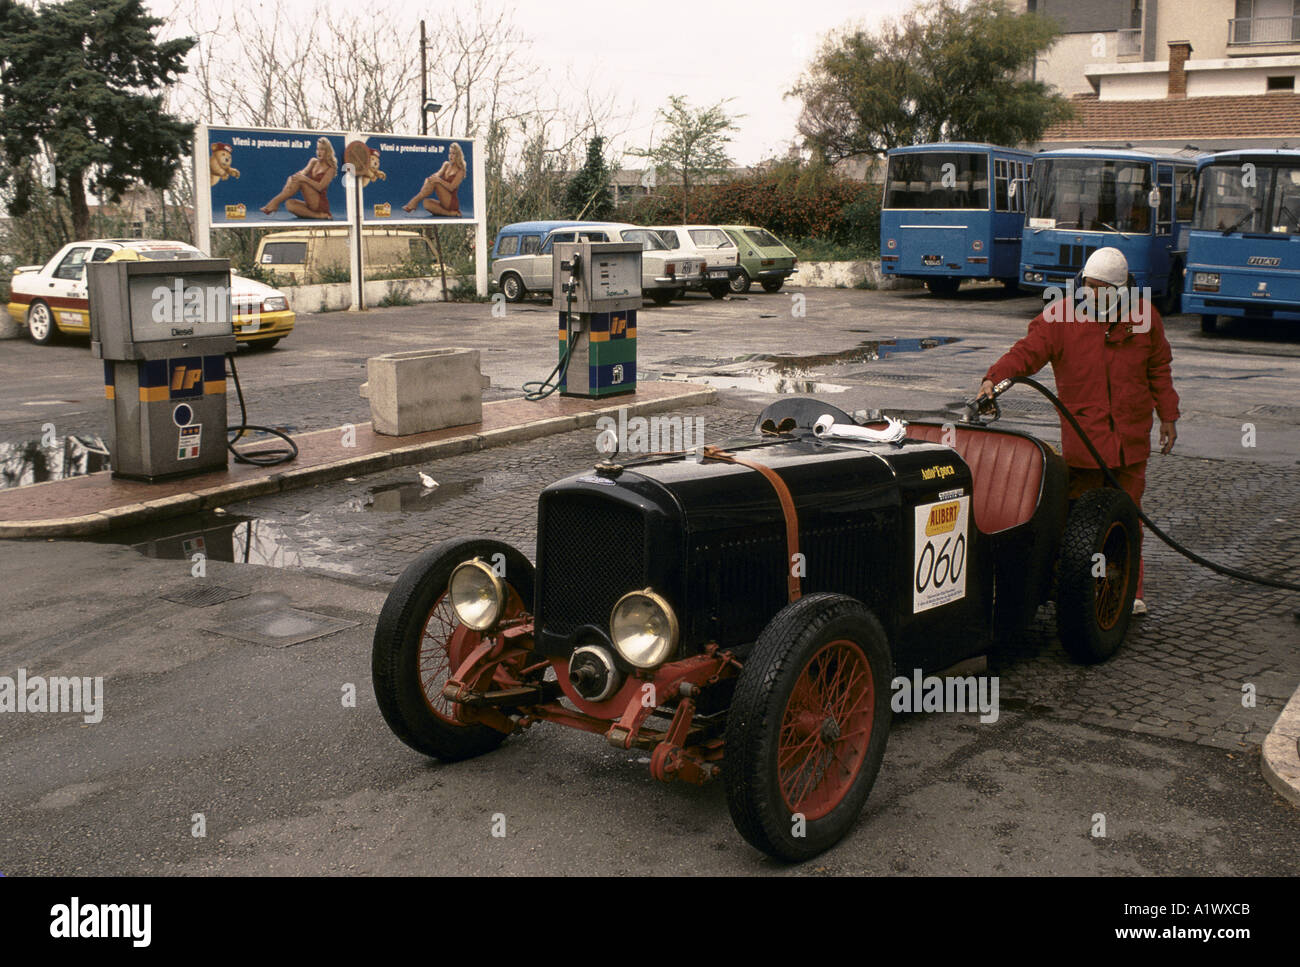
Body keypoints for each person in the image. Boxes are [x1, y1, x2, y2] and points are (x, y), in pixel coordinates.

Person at [977, 247, 1180, 614]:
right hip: (1084, 444)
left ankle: (1128, 591)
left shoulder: (1144, 317)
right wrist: (995, 378)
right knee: (1076, 522)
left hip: (1130, 445)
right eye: (1089, 286)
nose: (1094, 295)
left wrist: (1168, 415)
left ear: (1123, 289)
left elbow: (1159, 369)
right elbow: (1026, 353)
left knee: (1127, 516)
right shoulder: (1060, 317)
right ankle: (1073, 586)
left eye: (1104, 289)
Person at [261, 137, 337, 219]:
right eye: (317, 149)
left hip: (319, 203)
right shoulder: (313, 161)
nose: (319, 152)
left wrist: (304, 179)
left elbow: (320, 187)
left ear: (327, 151)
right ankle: (318, 216)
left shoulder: (331, 169)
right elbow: (302, 173)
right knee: (289, 204)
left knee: (302, 181)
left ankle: (274, 203)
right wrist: (291, 178)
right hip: (309, 202)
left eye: (322, 149)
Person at [403, 142, 466, 216]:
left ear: (458, 156)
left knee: (436, 182)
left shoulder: (460, 171)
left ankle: (414, 202)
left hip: (451, 202)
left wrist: (439, 180)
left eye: (453, 154)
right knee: (426, 203)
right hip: (443, 202)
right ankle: (450, 213)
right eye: (449, 153)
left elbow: (451, 187)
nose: (450, 156)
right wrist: (429, 179)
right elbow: (437, 174)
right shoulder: (446, 164)